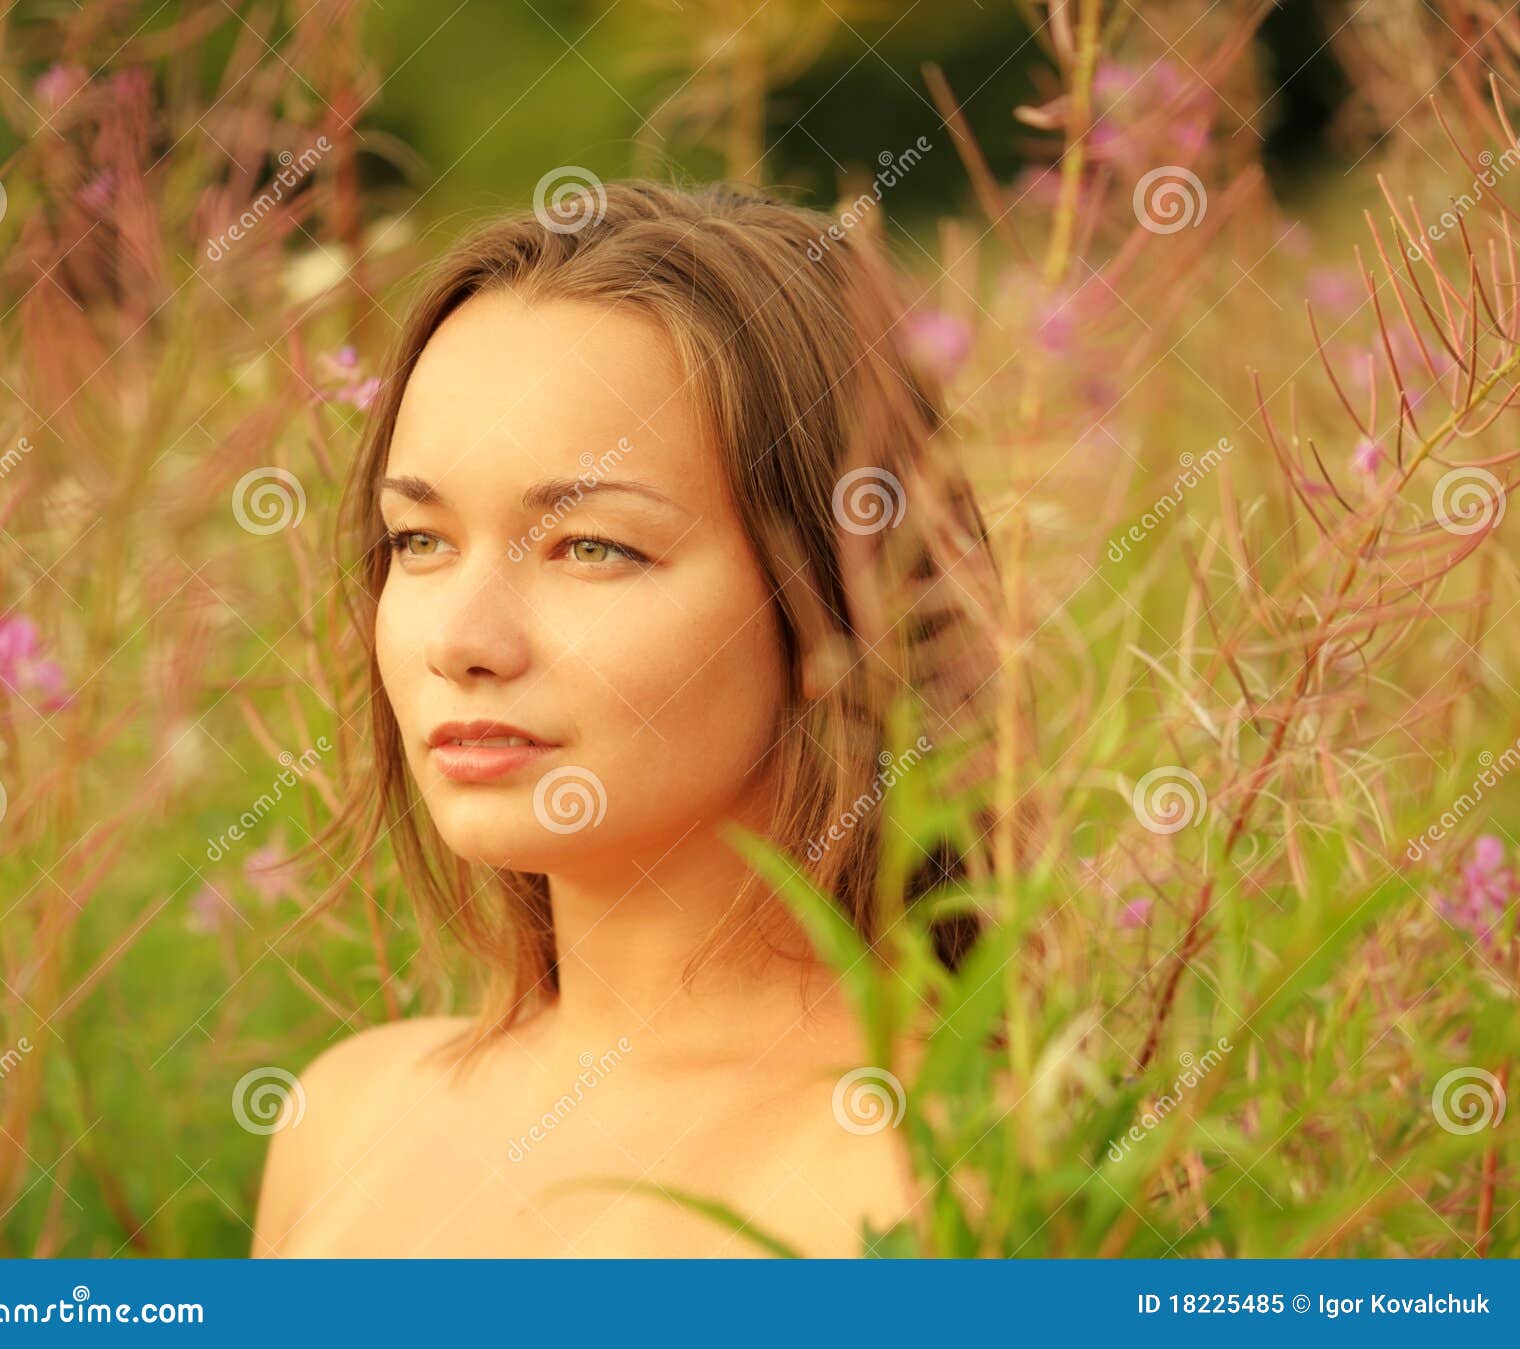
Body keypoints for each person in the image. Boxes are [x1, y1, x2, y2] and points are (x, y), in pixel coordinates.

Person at [252, 179, 1031, 1258]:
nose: (461, 639)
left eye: (593, 548)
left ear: (841, 603)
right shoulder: (344, 1120)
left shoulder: (950, 1170)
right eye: (419, 540)